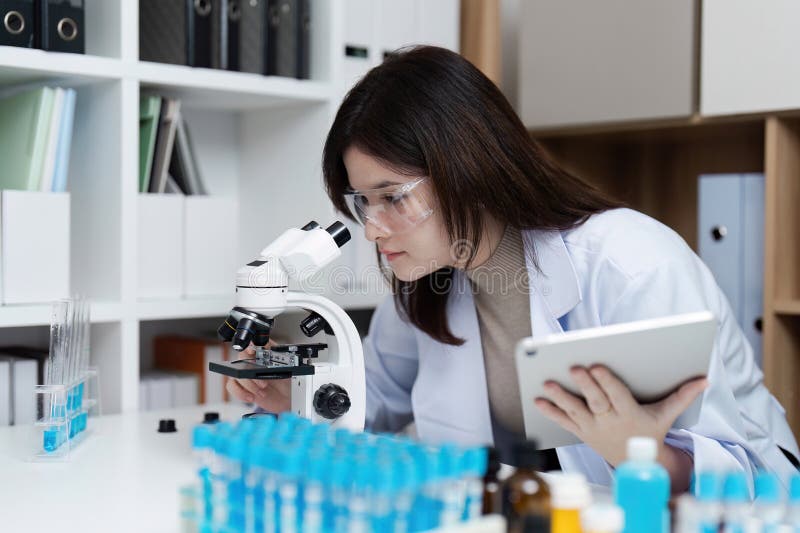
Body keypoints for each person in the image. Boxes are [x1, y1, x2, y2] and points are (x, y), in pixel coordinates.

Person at [227, 46, 798, 493]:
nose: (373, 229)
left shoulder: (631, 265)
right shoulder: (431, 279)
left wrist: (639, 453)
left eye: (392, 197)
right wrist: (295, 398)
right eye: (361, 203)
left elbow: (739, 473)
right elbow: (375, 396)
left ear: (468, 169)